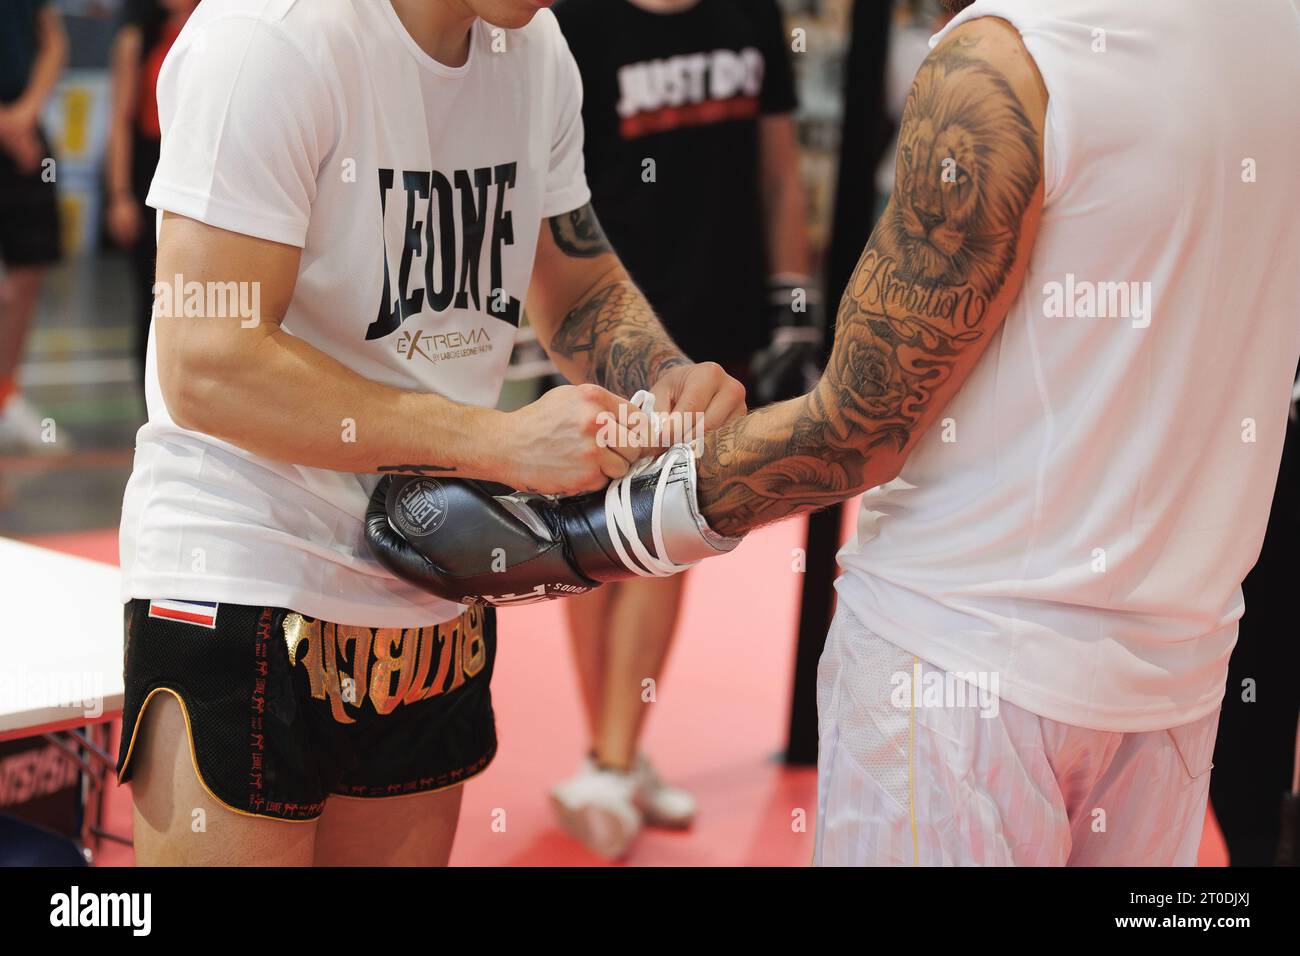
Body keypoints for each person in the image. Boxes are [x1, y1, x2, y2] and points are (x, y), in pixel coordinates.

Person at [396, 0, 1300, 866]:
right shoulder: (1271, 29)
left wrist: (582, 539)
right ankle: (613, 753)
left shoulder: (1007, 61)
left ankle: (614, 753)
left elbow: (863, 428)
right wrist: (657, 392)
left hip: (960, 663)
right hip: (1174, 678)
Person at [114, 0, 744, 867]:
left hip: (432, 574)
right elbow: (208, 363)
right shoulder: (272, 35)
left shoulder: (534, 48)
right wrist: (494, 444)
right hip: (246, 566)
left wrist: (666, 381)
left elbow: (578, 285)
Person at [548, 0, 813, 858]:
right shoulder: (579, 21)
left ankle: (615, 757)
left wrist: (794, 305)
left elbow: (778, 167)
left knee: (667, 538)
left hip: (717, 321)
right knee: (594, 543)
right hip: (610, 319)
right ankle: (612, 754)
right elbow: (556, 190)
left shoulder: (750, 11)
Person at [105, 0, 199, 395]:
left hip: (197, 161)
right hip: (150, 167)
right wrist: (120, 194)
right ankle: (155, 406)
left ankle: (196, 392)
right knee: (152, 298)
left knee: (201, 296)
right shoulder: (136, 38)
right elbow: (121, 122)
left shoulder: (215, 23)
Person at [0, 0, 66, 453]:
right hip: (11, 129)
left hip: (25, 130)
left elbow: (53, 41)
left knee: (29, 269)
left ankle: (6, 397)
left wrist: (25, 114)